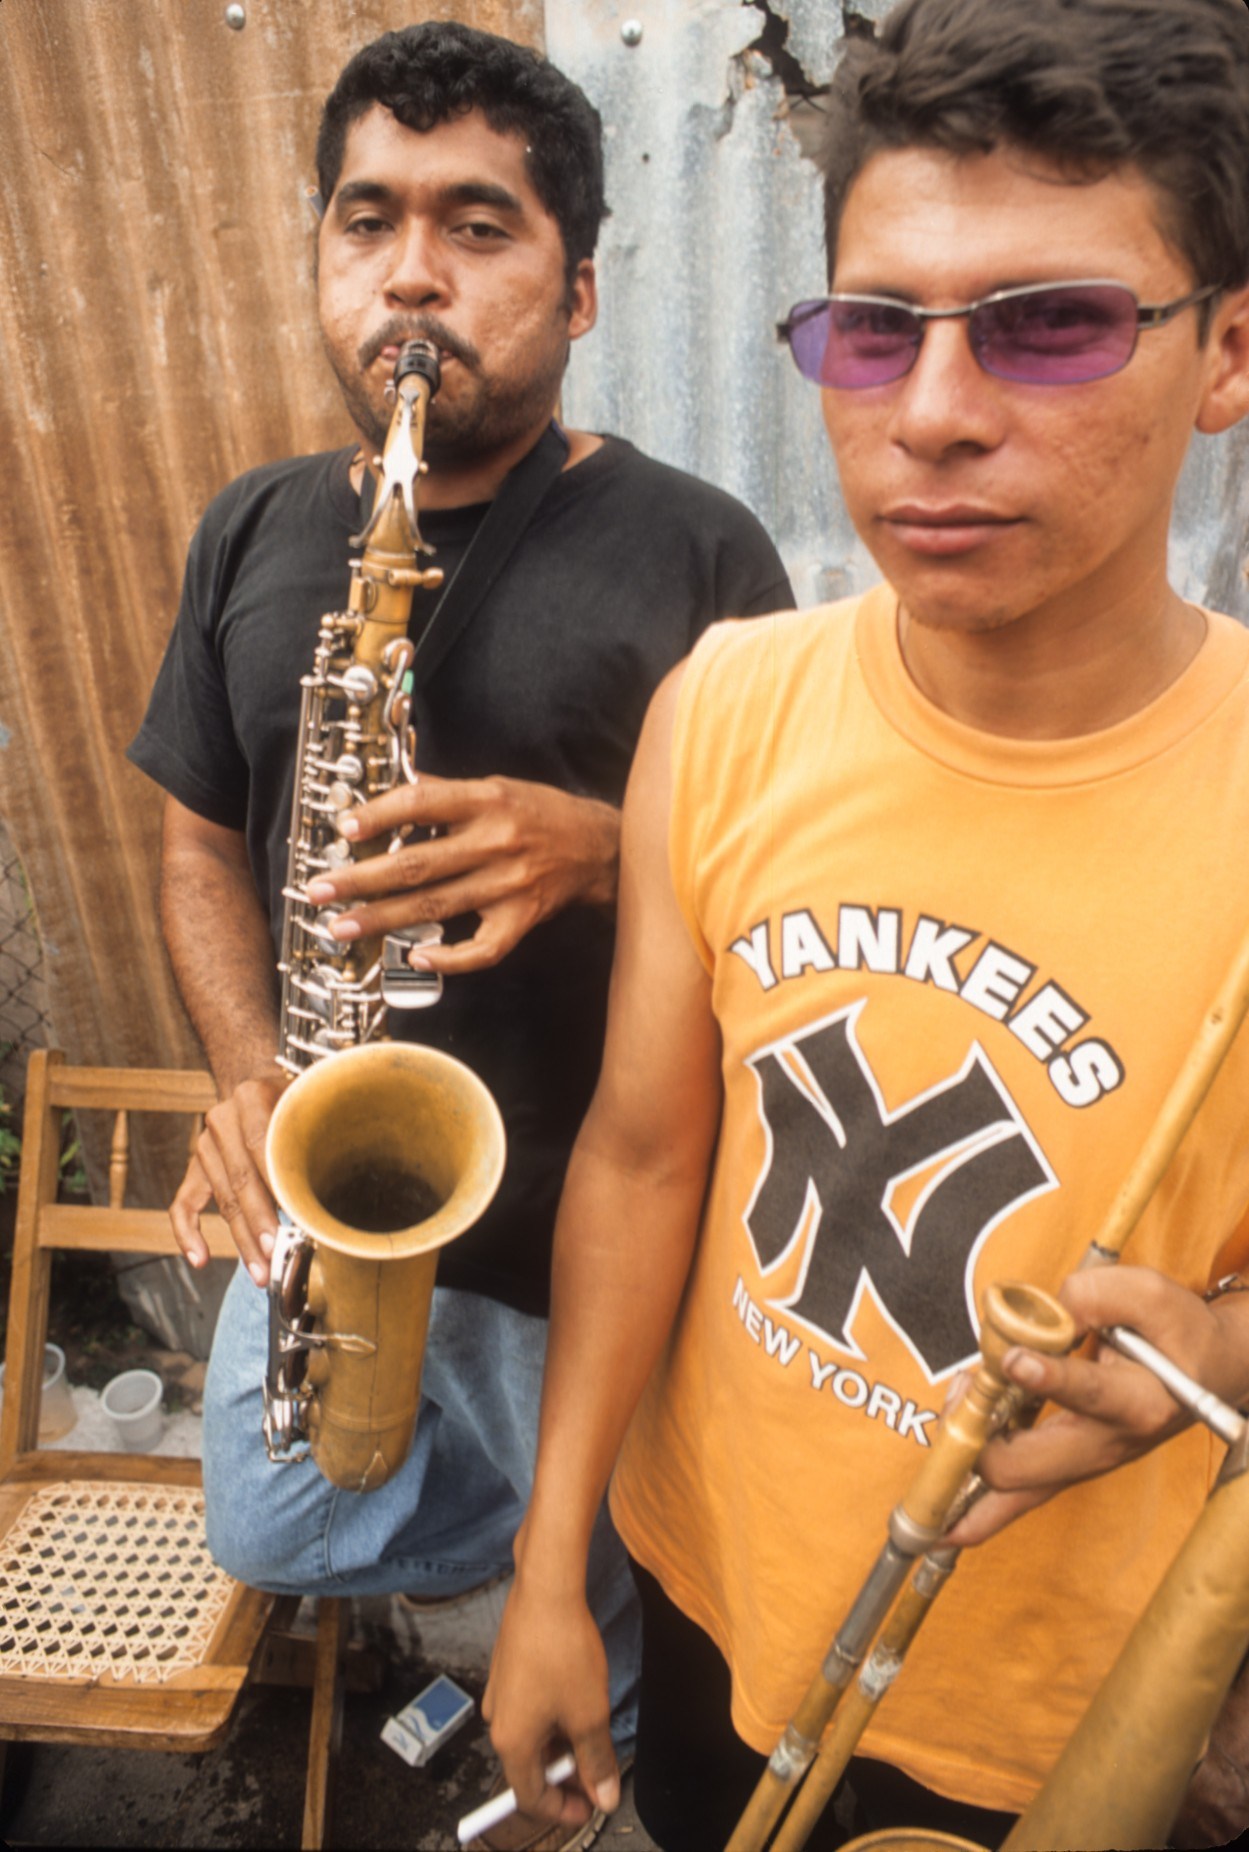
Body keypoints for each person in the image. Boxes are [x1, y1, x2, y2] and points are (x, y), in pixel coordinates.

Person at [482, 0, 1249, 1846]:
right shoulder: (725, 707)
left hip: (1043, 1709)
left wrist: (1210, 1366)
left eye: (1050, 326)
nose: (929, 415)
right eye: (874, 329)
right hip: (703, 1580)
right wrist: (546, 1565)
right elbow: (644, 1156)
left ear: (1225, 352)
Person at [127, 20, 792, 1845]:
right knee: (275, 1523)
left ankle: (600, 1684)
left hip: (590, 1229)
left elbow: (798, 913)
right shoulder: (254, 527)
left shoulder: (702, 550)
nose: (410, 275)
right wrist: (255, 1078)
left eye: (477, 227)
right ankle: (569, 1566)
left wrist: (616, 852)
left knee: (619, 1607)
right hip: (340, 1199)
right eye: (369, 221)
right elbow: (197, 841)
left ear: (578, 290)